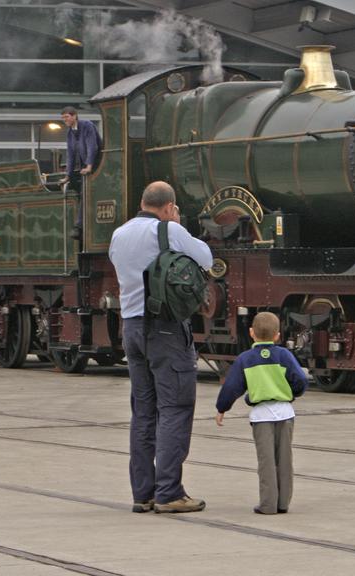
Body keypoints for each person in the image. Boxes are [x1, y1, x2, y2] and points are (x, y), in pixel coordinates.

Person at [108, 181, 213, 514]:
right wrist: (178, 228)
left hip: (132, 327)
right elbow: (206, 259)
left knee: (143, 411)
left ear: (142, 201)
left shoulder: (119, 234)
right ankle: (170, 492)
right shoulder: (169, 230)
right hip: (165, 329)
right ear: (169, 207)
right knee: (175, 407)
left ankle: (144, 493)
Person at [215, 311, 308, 515]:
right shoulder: (284, 355)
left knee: (266, 461)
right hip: (285, 413)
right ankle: (283, 503)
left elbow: (232, 387)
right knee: (285, 459)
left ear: (251, 333)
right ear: (278, 335)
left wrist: (222, 408)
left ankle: (268, 505)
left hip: (261, 416)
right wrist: (290, 394)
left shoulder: (245, 359)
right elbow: (300, 380)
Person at [61, 106, 102, 239]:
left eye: (66, 117)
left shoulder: (87, 126)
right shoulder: (70, 133)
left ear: (74, 116)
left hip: (97, 165)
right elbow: (70, 155)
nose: (65, 120)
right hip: (84, 167)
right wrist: (67, 176)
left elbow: (93, 147)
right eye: (63, 118)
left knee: (86, 191)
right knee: (75, 185)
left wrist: (89, 165)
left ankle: (79, 225)